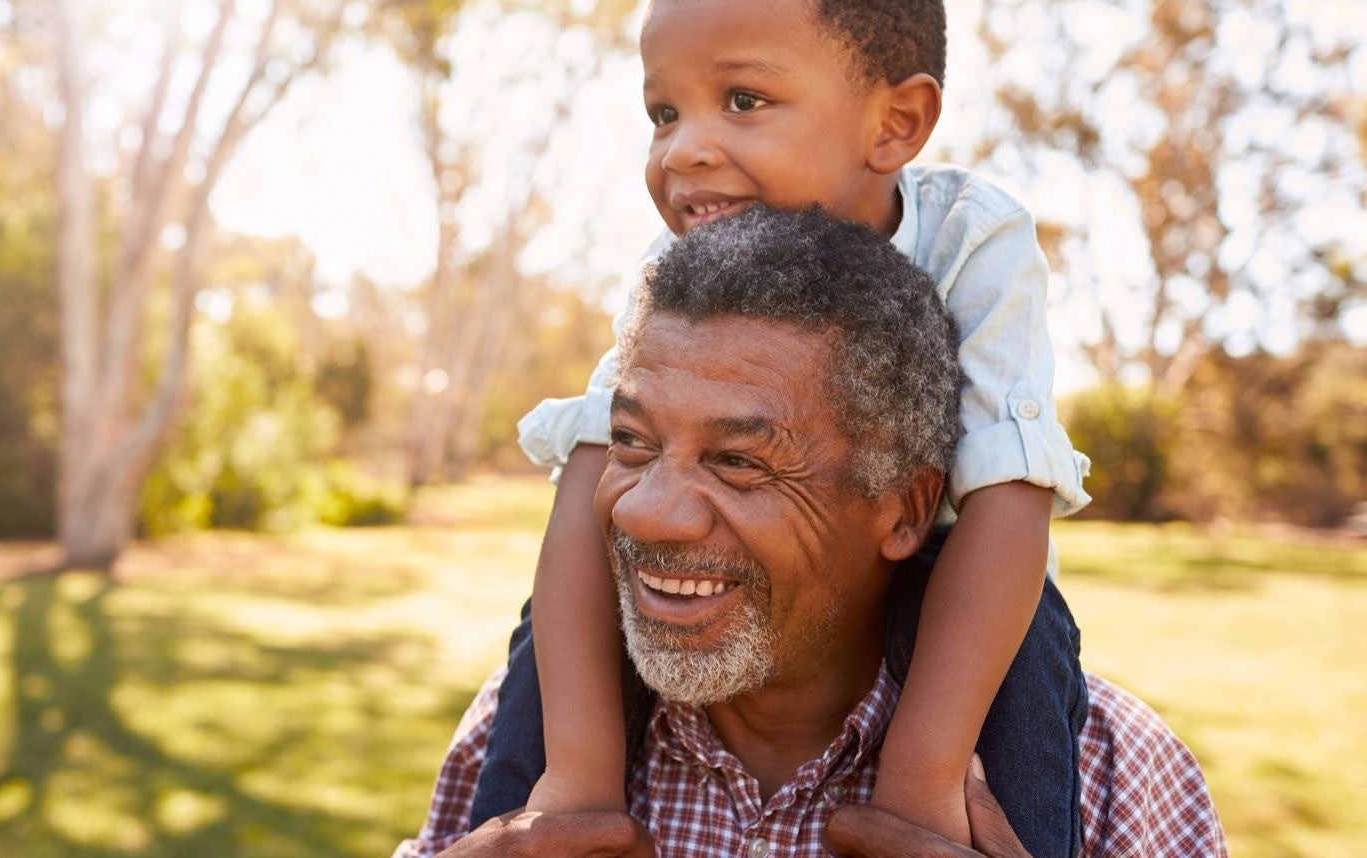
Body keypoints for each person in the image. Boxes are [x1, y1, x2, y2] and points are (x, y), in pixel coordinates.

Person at [473, 0, 1093, 855]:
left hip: (949, 571)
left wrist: (920, 785)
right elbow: (590, 475)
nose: (682, 149)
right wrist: (578, 773)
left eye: (743, 101)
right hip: (749, 600)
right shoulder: (674, 272)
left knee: (1032, 640)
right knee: (549, 627)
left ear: (896, 123)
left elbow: (1011, 494)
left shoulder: (972, 236)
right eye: (664, 113)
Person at [396, 209, 1225, 858]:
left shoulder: (1110, 773)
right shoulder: (525, 734)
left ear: (904, 509)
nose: (644, 512)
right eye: (632, 443)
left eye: (738, 462)